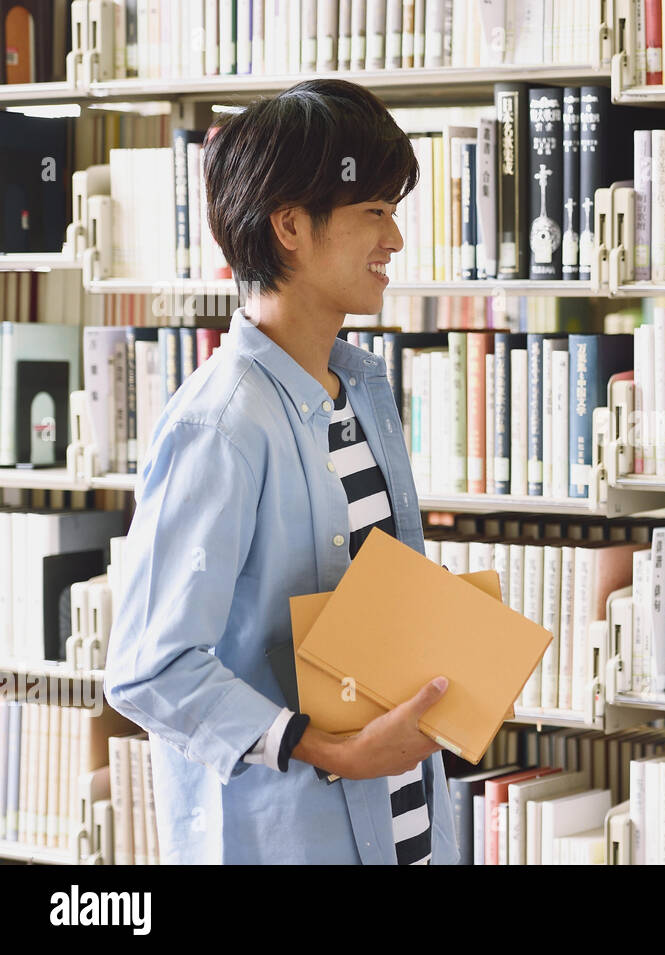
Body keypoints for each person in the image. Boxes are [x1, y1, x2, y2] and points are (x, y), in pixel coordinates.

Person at [105, 79, 456, 864]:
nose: (394, 240)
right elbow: (149, 668)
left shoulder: (362, 388)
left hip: (408, 829)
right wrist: (329, 749)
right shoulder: (220, 425)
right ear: (291, 225)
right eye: (374, 212)